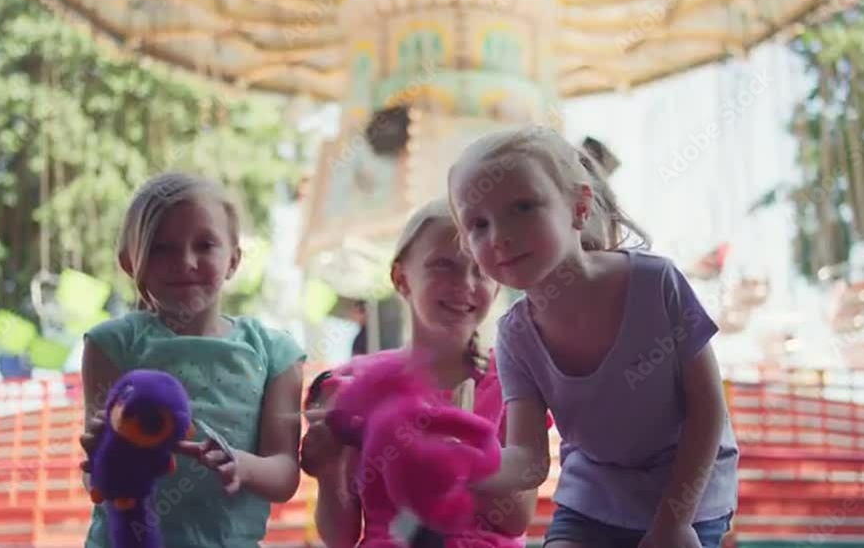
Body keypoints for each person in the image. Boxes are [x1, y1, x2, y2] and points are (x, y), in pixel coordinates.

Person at [447, 126, 738, 548]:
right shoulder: (515, 337)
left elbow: (708, 407)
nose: (499, 236)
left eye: (523, 207)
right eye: (478, 224)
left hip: (689, 490)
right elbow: (528, 462)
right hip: (595, 498)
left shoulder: (657, 283)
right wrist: (462, 463)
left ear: (579, 207)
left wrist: (674, 521)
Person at [78, 172, 306, 547]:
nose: (184, 261)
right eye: (160, 248)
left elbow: (284, 471)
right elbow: (96, 478)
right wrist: (104, 460)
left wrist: (242, 465)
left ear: (233, 259)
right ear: (128, 261)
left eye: (205, 244)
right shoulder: (112, 344)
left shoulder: (276, 354)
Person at [301, 198, 544, 547]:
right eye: (443, 265)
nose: (465, 283)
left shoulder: (511, 381)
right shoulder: (362, 386)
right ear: (402, 278)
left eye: (480, 270)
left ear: (497, 284)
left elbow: (516, 516)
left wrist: (446, 460)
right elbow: (340, 536)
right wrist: (328, 474)